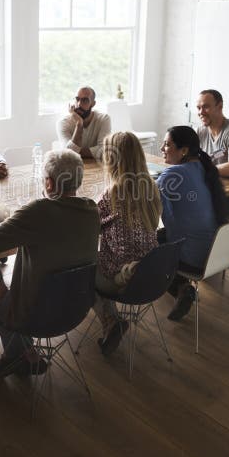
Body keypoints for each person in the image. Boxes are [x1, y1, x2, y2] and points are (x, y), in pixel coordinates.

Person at [0, 149, 100, 382]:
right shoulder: (92, 210)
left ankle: (20, 353)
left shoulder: (39, 211)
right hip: (76, 309)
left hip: (37, 315)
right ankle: (24, 353)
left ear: (49, 183)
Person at [94, 132, 161, 356]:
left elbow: (89, 227)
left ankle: (111, 320)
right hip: (151, 271)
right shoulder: (151, 186)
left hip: (122, 277)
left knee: (82, 269)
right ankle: (112, 320)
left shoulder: (111, 195)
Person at [157, 126, 229, 322]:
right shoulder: (205, 169)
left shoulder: (172, 175)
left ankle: (181, 287)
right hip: (217, 252)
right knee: (159, 236)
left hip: (193, 258)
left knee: (144, 244)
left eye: (167, 144)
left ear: (184, 151)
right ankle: (183, 288)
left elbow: (146, 208)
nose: (162, 148)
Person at [56, 86, 111, 160]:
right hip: (71, 167)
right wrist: (79, 124)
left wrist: (77, 151)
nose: (79, 104)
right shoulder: (63, 123)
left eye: (85, 100)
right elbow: (68, 155)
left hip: (95, 166)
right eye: (77, 99)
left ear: (93, 104)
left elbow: (103, 150)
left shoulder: (103, 119)